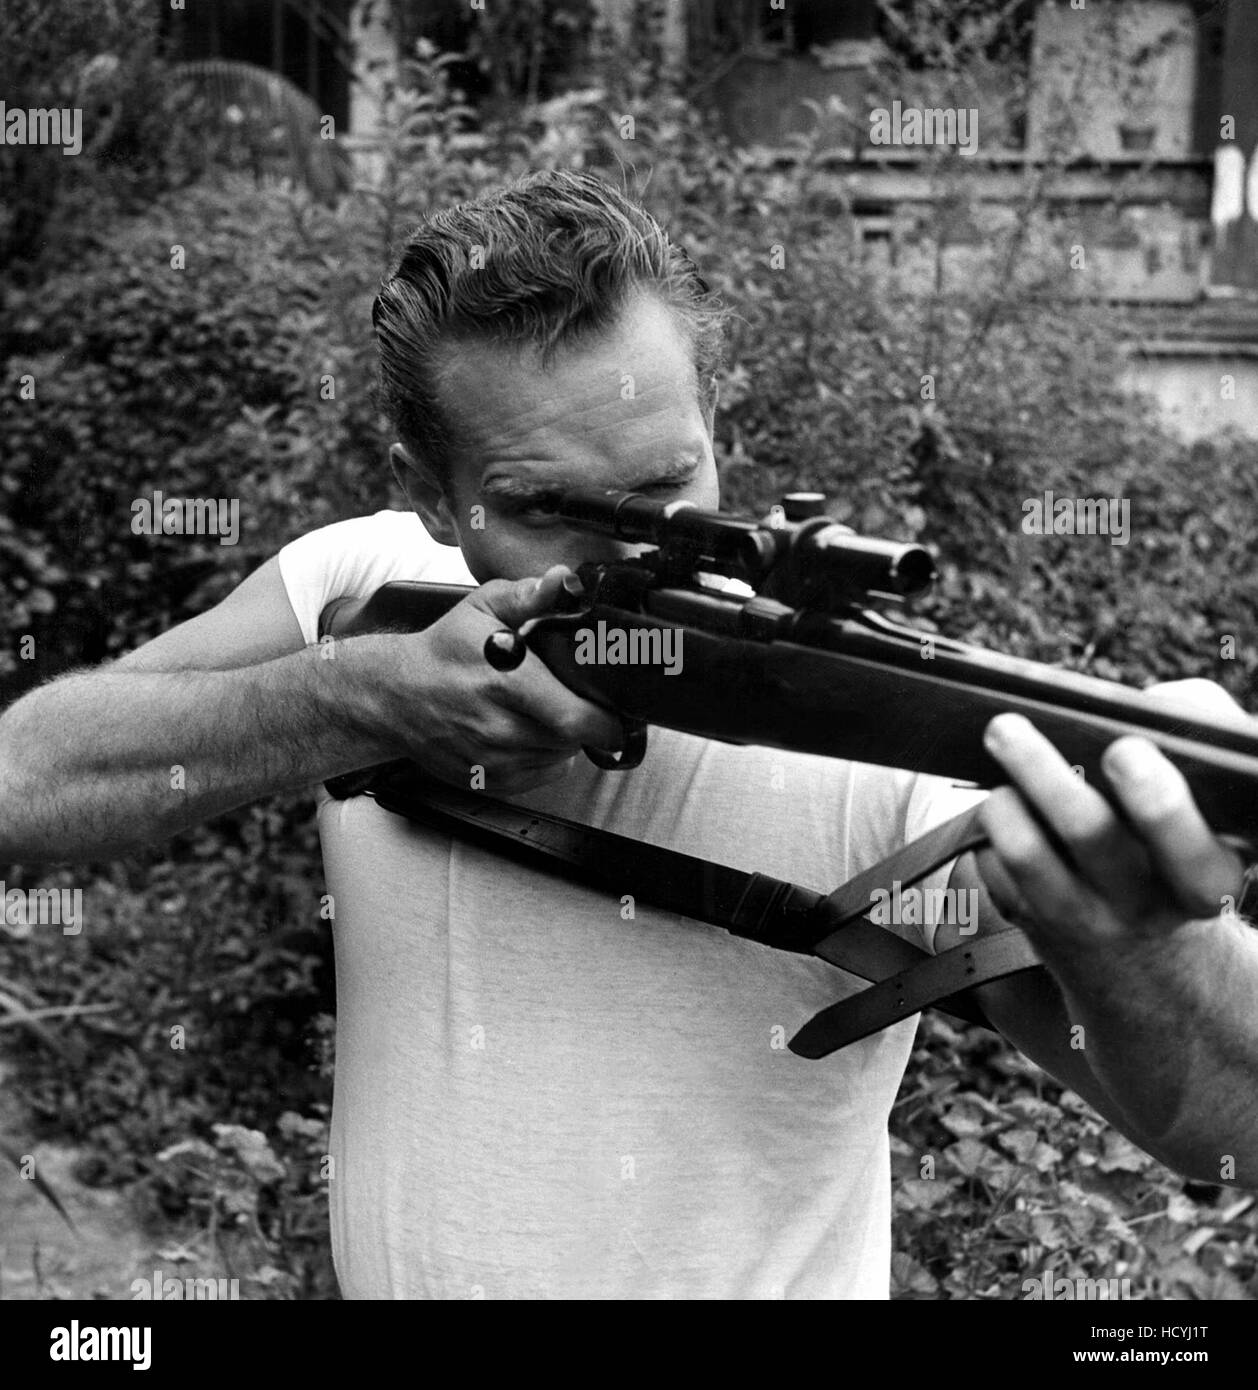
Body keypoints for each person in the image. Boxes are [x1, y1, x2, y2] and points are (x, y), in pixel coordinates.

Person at [1, 170, 1256, 1299]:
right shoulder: (357, 593)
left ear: (716, 423)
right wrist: (356, 695)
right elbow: (24, 780)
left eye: (668, 487)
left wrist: (1143, 948)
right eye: (554, 508)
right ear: (435, 496)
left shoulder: (870, 731)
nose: (638, 547)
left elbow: (1221, 1123)